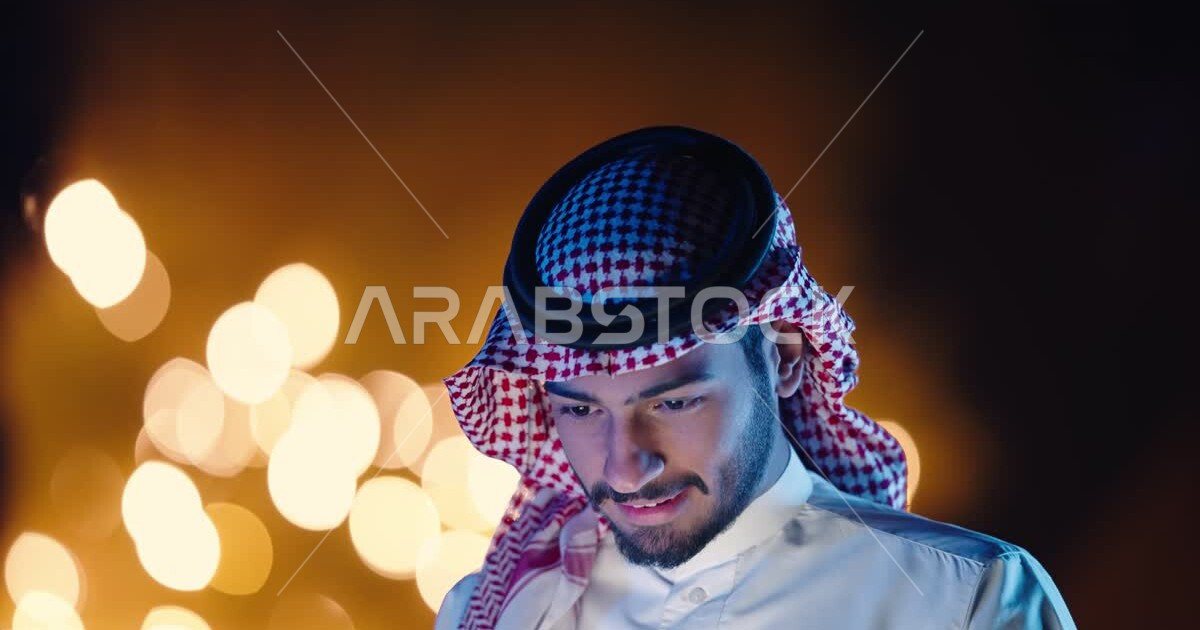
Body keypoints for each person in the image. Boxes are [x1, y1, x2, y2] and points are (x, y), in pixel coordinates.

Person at [435, 126, 1075, 629]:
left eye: (675, 402)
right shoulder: (494, 613)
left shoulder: (964, 602)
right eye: (580, 410)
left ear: (787, 357)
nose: (625, 470)